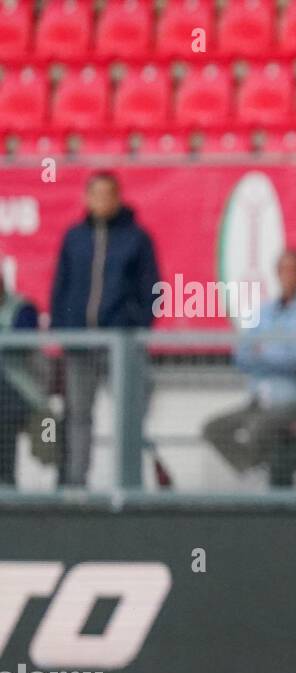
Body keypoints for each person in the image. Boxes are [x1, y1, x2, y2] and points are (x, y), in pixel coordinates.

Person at [48, 170, 160, 487]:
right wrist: (63, 327)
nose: (102, 201)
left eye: (108, 194)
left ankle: (128, 484)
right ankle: (75, 482)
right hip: (80, 344)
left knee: (129, 413)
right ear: (87, 198)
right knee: (78, 416)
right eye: (95, 194)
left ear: (118, 197)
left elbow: (152, 288)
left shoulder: (137, 238)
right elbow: (62, 285)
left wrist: (133, 326)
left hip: (120, 344)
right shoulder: (74, 237)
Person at [203, 250, 296, 488]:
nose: (288, 276)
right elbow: (242, 356)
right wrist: (277, 350)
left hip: (294, 401)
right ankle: (254, 469)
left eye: (293, 271)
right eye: (283, 270)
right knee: (214, 429)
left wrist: (264, 351)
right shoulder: (265, 309)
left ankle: (268, 476)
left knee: (259, 429)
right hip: (259, 400)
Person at [0, 275, 41, 485]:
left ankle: (66, 484)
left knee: (50, 428)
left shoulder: (22, 309)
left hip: (23, 395)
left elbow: (25, 343)